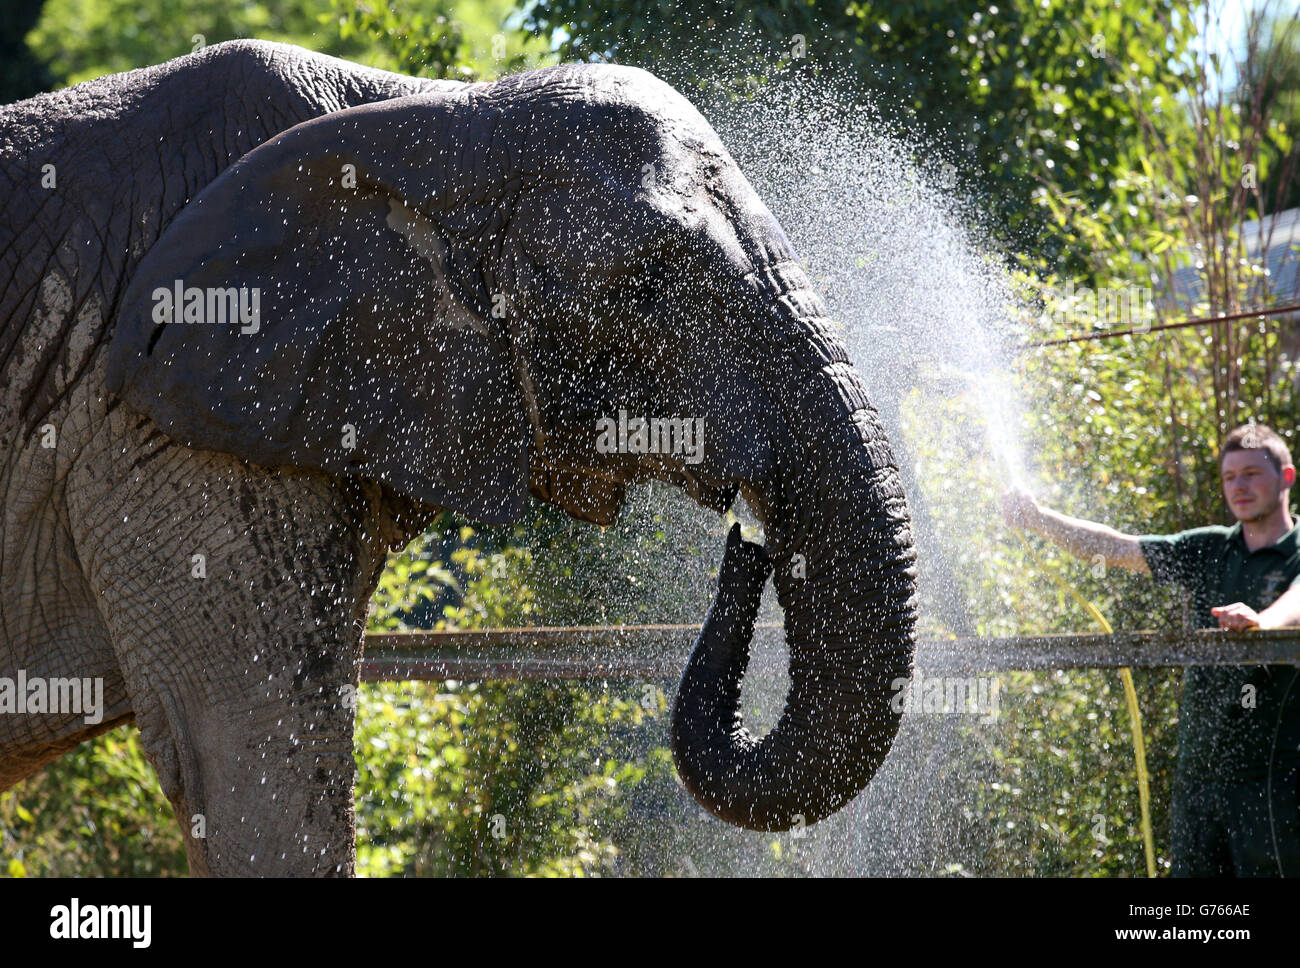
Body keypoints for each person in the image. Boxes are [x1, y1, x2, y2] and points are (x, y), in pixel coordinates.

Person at [1002, 423, 1300, 876]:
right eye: (1229, 477)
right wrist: (1040, 517)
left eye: (1251, 474)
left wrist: (1263, 624)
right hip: (1199, 780)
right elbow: (1116, 548)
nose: (1238, 486)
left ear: (1287, 477)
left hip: (1275, 785)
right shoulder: (1210, 549)